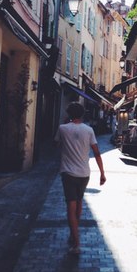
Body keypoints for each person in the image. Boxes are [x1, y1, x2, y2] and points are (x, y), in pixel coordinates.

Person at [54, 101, 106, 255]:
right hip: (84, 174)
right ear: (83, 114)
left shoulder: (62, 129)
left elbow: (56, 145)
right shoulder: (89, 130)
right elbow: (96, 152)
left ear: (69, 114)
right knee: (79, 202)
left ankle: (76, 242)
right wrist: (102, 173)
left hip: (68, 173)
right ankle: (74, 232)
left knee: (71, 206)